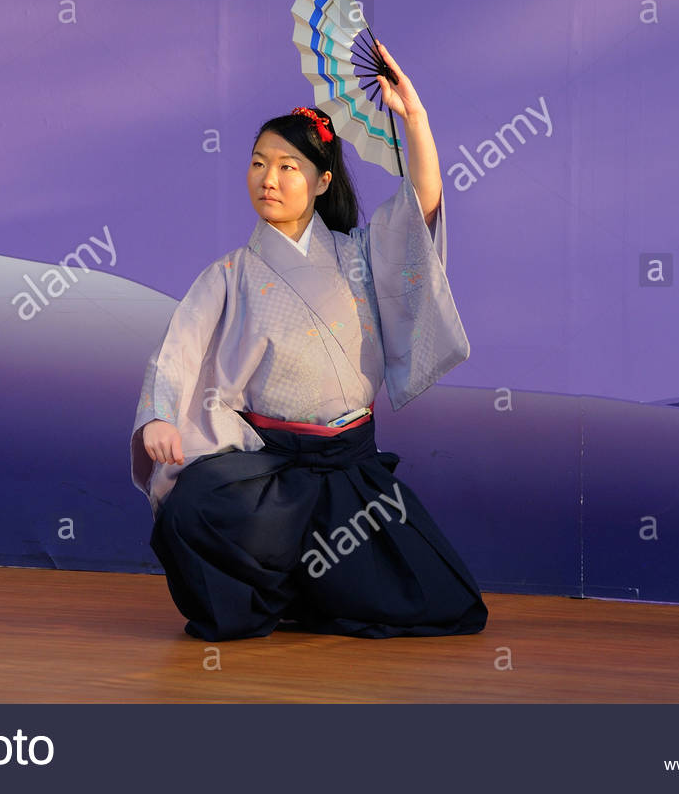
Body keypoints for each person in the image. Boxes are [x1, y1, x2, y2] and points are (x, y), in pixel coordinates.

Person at [130, 40, 487, 641]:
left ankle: (315, 588)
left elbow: (420, 208)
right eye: (258, 162)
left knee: (440, 598)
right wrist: (160, 417)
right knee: (189, 511)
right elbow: (178, 351)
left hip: (349, 471)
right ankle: (282, 586)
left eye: (288, 166)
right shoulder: (229, 274)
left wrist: (415, 119)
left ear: (322, 180)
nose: (269, 179)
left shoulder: (359, 257)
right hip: (270, 472)